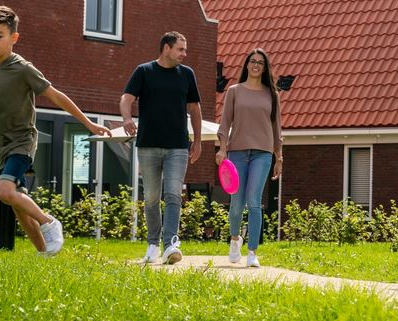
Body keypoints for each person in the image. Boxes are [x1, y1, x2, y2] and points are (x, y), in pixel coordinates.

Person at [0, 6, 108, 255]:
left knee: (5, 191)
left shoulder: (23, 68)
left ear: (13, 38)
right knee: (17, 203)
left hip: (22, 141)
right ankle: (45, 253)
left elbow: (56, 96)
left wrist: (88, 123)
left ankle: (50, 223)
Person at [120, 31, 203, 266]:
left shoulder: (187, 75)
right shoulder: (144, 71)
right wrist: (126, 118)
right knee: (152, 197)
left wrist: (196, 142)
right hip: (148, 145)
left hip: (177, 146)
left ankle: (171, 244)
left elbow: (195, 110)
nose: (184, 54)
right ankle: (153, 244)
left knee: (174, 194)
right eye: (180, 49)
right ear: (166, 48)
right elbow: (126, 98)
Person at [217, 49, 282, 267]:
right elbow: (225, 123)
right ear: (246, 65)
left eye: (260, 63)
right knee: (237, 205)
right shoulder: (234, 91)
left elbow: (276, 128)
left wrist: (278, 157)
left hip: (262, 153)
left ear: (265, 68)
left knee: (254, 202)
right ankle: (235, 239)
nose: (255, 65)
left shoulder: (272, 95)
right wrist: (222, 149)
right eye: (252, 61)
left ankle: (252, 252)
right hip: (237, 152)